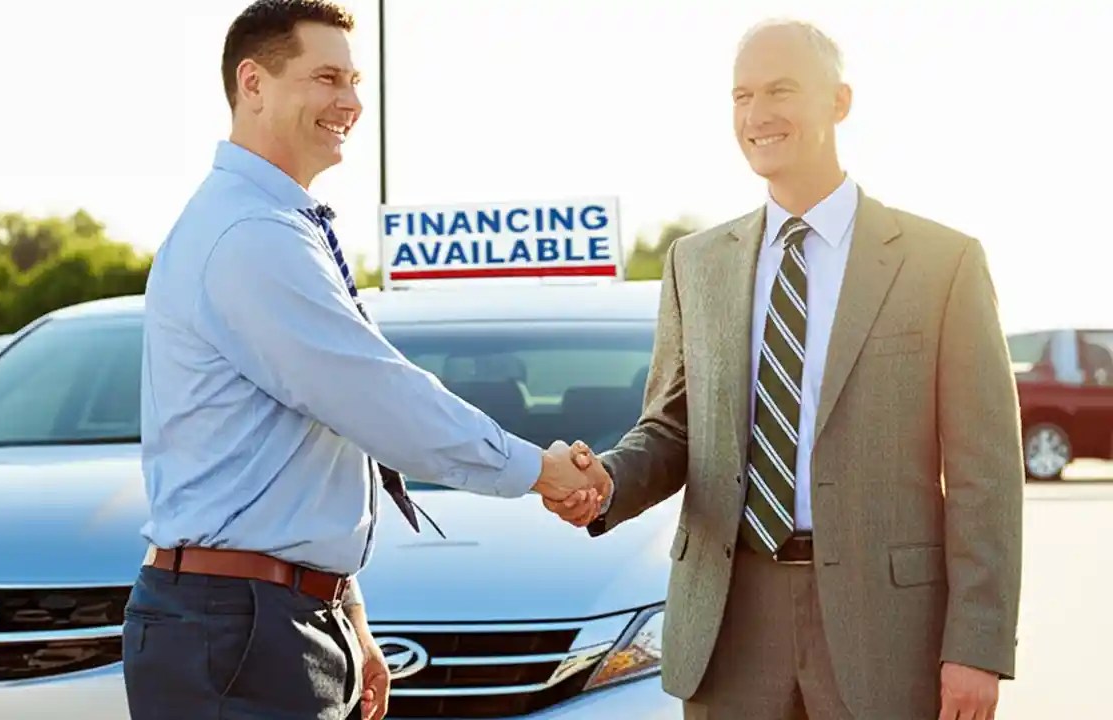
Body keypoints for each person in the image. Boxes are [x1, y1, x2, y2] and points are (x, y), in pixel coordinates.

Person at [123, 2, 601, 719]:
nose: (350, 102)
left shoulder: (271, 224)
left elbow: (309, 454)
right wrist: (537, 470)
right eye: (325, 77)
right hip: (238, 632)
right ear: (252, 83)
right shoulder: (250, 233)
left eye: (353, 80)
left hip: (260, 621)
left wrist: (347, 614)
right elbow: (375, 397)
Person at [547, 18, 1024, 720]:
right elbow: (674, 427)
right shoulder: (696, 263)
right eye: (741, 96)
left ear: (839, 102)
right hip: (730, 620)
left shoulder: (941, 263)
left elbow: (987, 474)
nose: (757, 115)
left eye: (780, 90)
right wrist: (610, 478)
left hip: (888, 628)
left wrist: (977, 646)